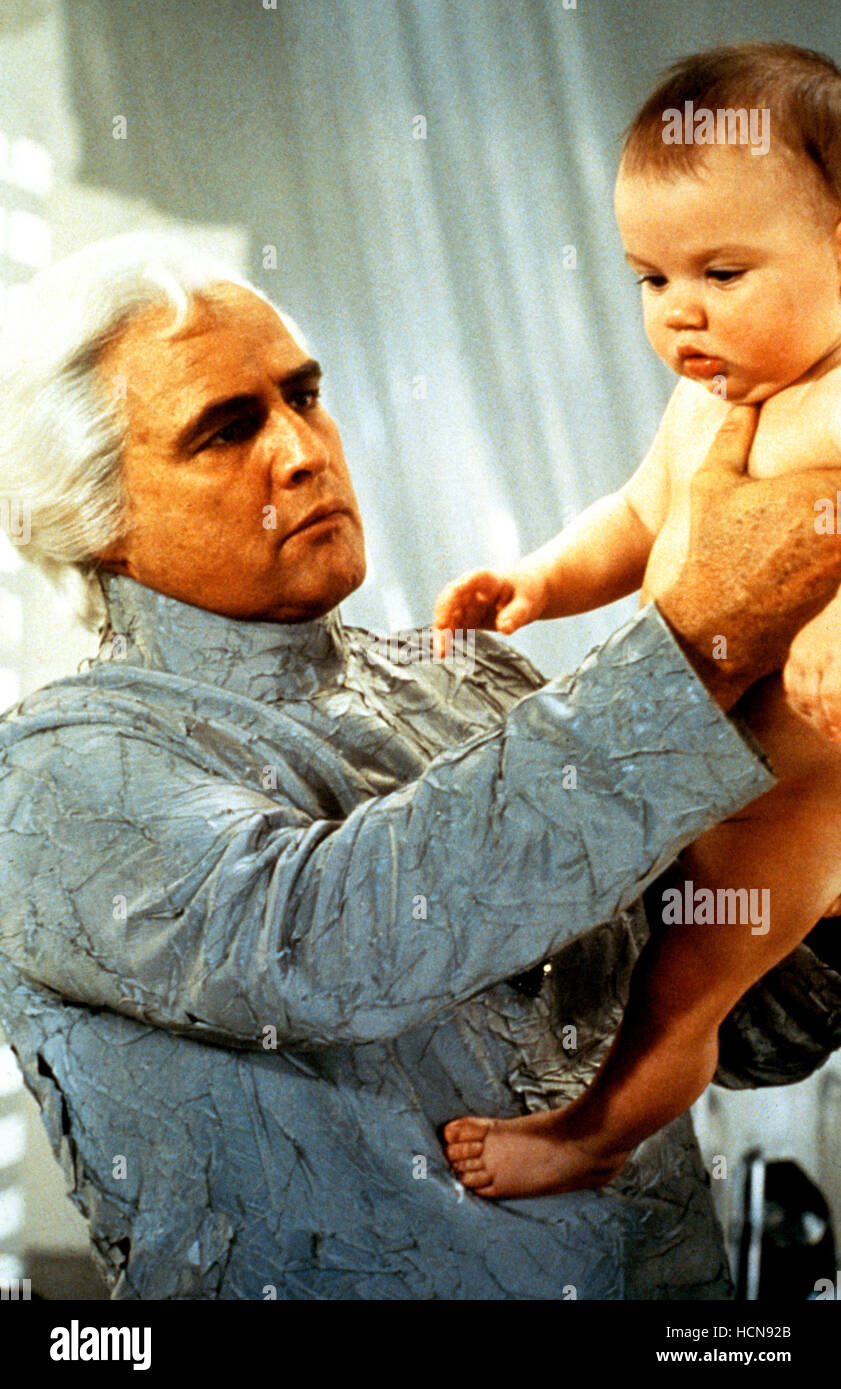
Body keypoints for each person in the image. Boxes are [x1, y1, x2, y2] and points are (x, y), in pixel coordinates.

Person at [0, 236, 841, 1302]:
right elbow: (334, 944)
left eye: (304, 395)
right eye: (228, 430)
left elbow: (742, 1027)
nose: (304, 450)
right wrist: (690, 644)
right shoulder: (51, 778)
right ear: (97, 518)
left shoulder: (477, 681)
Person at [436, 42, 841, 1199]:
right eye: (650, 280)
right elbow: (632, 513)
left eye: (721, 272)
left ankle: (593, 1133)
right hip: (681, 771)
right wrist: (539, 582)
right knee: (600, 936)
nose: (681, 315)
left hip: (792, 802)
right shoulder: (703, 398)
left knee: (684, 985)